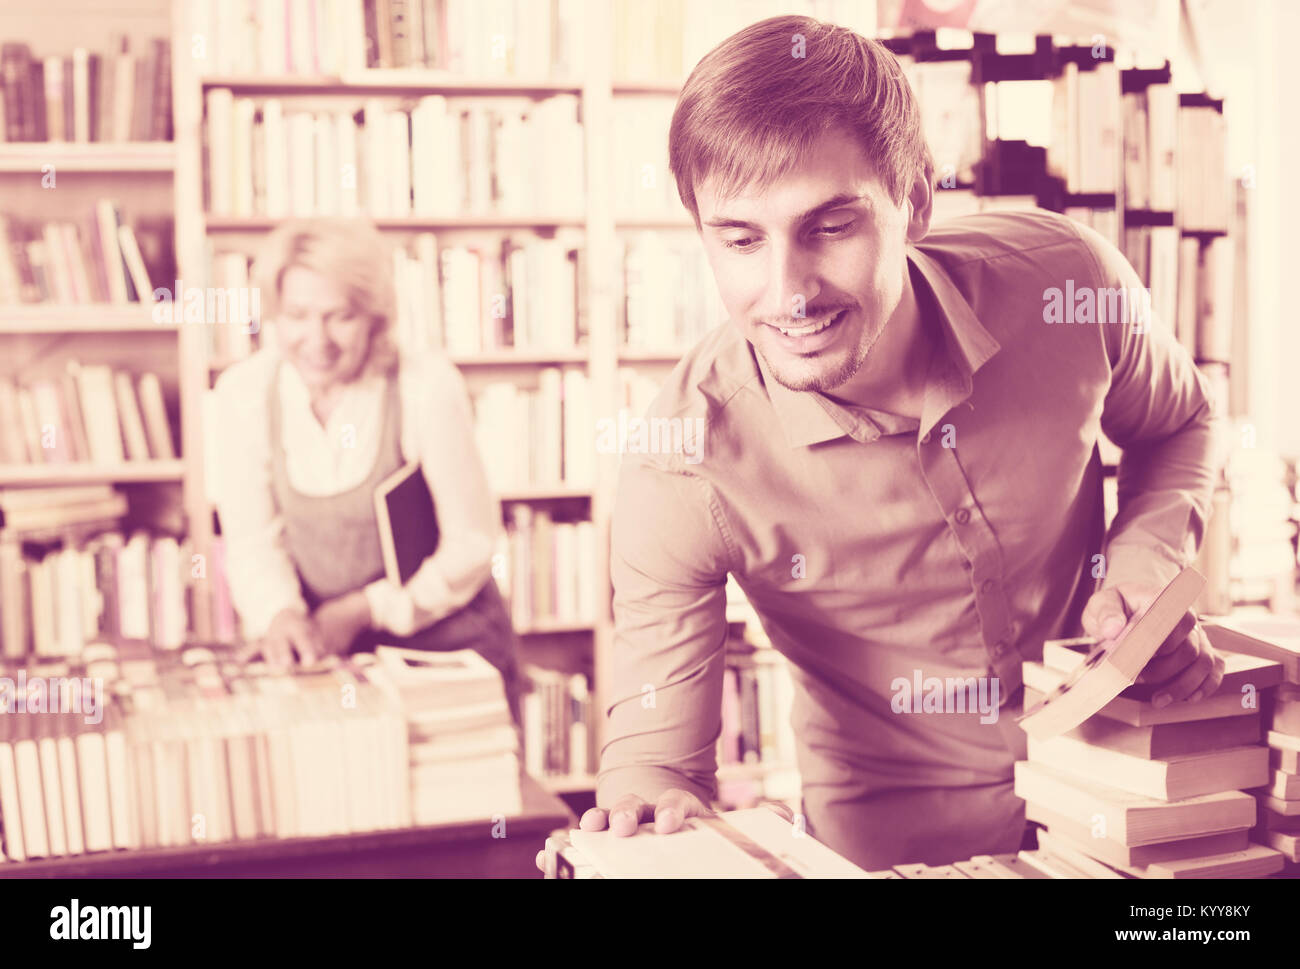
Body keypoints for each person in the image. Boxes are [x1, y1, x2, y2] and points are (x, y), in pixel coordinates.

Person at [580, 16, 1227, 870]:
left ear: (915, 200)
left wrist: (1144, 557)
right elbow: (656, 764)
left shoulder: (1071, 283)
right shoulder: (681, 462)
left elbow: (1182, 420)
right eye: (739, 239)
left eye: (829, 227)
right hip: (888, 848)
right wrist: (651, 807)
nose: (790, 294)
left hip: (1123, 787)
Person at [212, 217, 523, 726]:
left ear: (375, 318)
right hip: (327, 657)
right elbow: (251, 543)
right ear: (273, 312)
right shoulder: (244, 393)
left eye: (340, 317)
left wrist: (365, 609)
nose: (316, 339)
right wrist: (281, 614)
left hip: (446, 648)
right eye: (297, 315)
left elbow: (471, 542)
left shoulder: (424, 384)